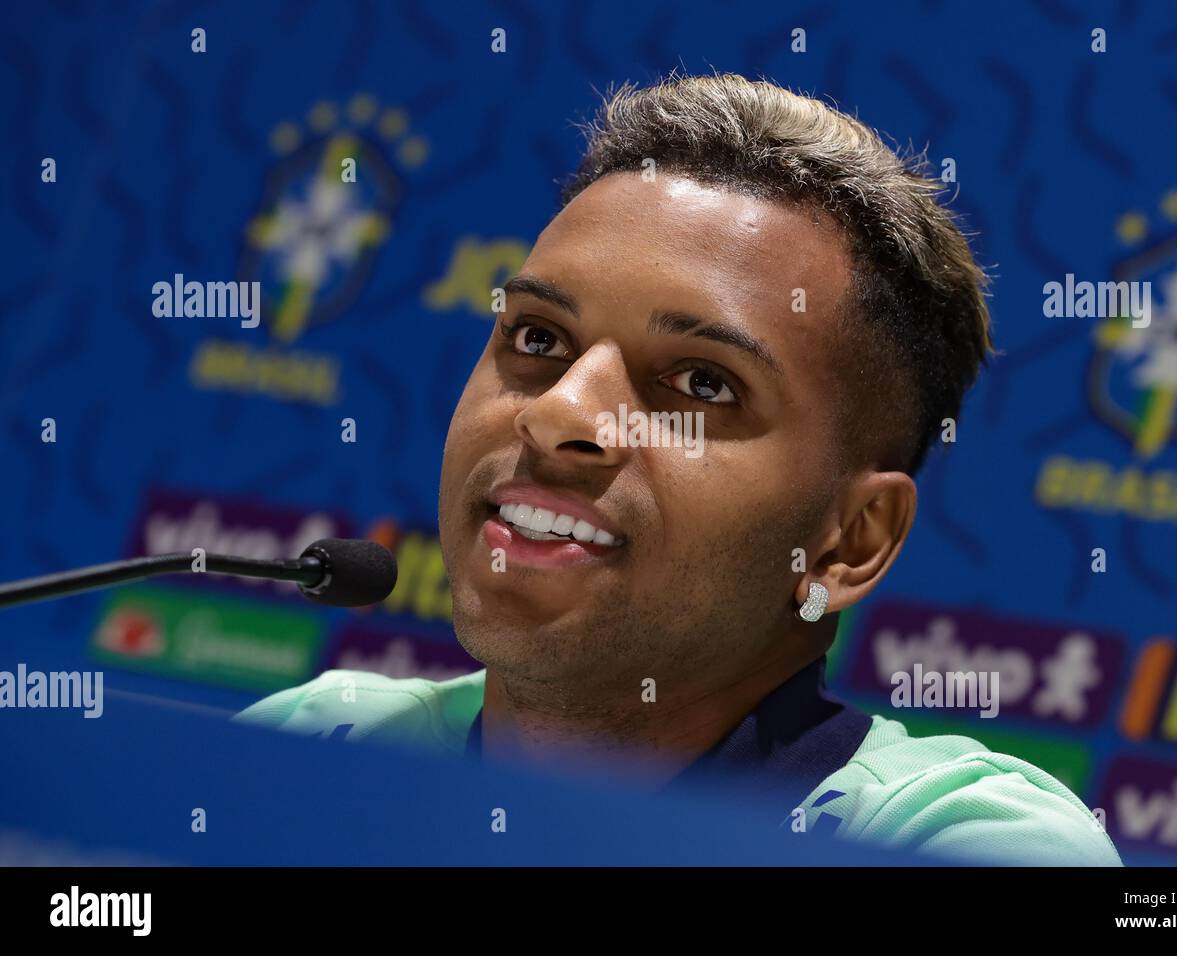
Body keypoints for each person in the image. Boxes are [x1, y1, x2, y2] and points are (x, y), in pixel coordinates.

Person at [237, 73, 1121, 866]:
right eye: (538, 338)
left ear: (849, 541)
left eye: (702, 384)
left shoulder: (963, 838)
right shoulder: (317, 746)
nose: (561, 414)